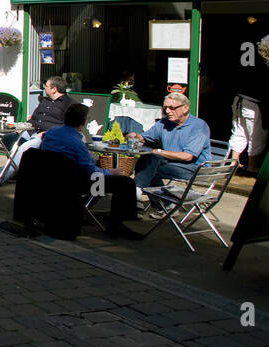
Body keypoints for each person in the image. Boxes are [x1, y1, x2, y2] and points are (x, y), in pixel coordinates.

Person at [39, 102, 142, 238]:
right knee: (124, 182)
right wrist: (111, 172)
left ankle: (81, 210)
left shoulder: (52, 132)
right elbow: (91, 172)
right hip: (72, 183)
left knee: (99, 181)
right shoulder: (76, 143)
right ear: (83, 123)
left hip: (50, 178)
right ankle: (116, 224)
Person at [130, 91, 211, 196]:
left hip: (196, 168)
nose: (167, 111)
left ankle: (137, 193)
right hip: (172, 163)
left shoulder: (198, 126)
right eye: (165, 108)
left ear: (185, 108)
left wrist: (158, 151)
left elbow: (187, 156)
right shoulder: (164, 123)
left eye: (172, 108)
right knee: (148, 159)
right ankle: (160, 202)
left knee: (150, 167)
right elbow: (144, 137)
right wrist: (135, 136)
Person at [228, 91, 265, 174]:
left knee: (239, 132)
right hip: (252, 102)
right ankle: (252, 166)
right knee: (255, 136)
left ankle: (234, 163)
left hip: (238, 99)